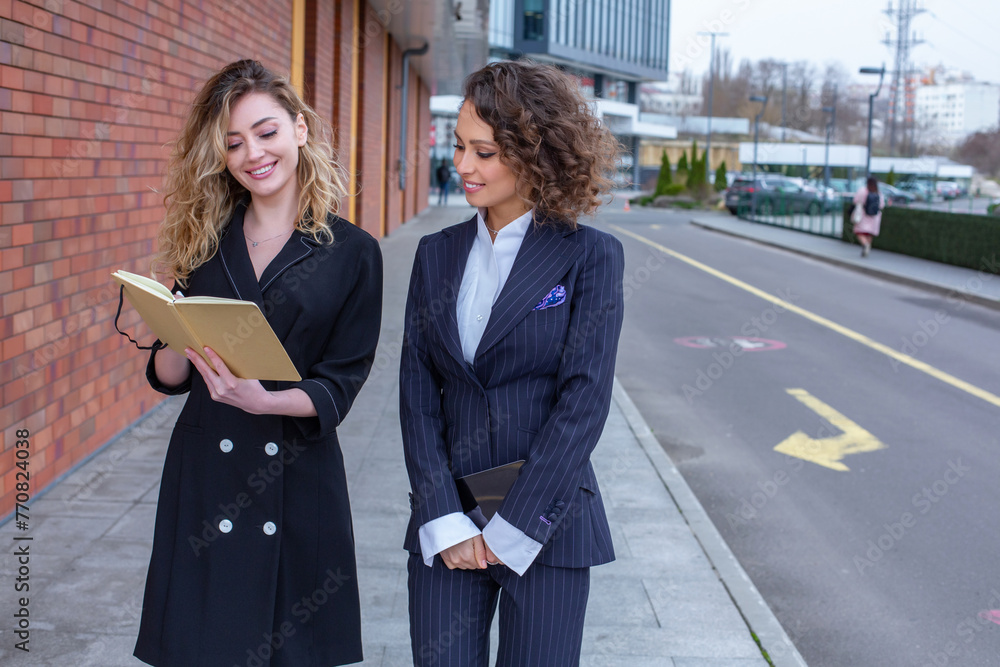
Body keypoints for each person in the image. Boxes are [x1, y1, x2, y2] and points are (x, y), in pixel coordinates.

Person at [131, 59, 382, 667]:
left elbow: (342, 384)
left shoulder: (352, 252)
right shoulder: (205, 239)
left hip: (294, 472)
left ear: (300, 130)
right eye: (234, 143)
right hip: (207, 470)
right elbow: (171, 379)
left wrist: (268, 401)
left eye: (266, 132)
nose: (253, 154)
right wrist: (170, 330)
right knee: (202, 645)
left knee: (290, 650)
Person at [399, 60, 625, 666]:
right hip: (449, 521)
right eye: (458, 147)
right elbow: (416, 394)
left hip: (546, 519)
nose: (464, 166)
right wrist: (442, 514)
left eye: (485, 151)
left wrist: (513, 526)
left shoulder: (591, 257)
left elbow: (584, 399)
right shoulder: (435, 255)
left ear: (534, 154)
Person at [853, 177, 884, 257]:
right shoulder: (878, 193)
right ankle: (868, 246)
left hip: (864, 214)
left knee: (859, 232)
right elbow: (881, 205)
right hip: (875, 216)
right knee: (869, 234)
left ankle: (865, 244)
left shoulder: (863, 190)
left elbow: (856, 200)